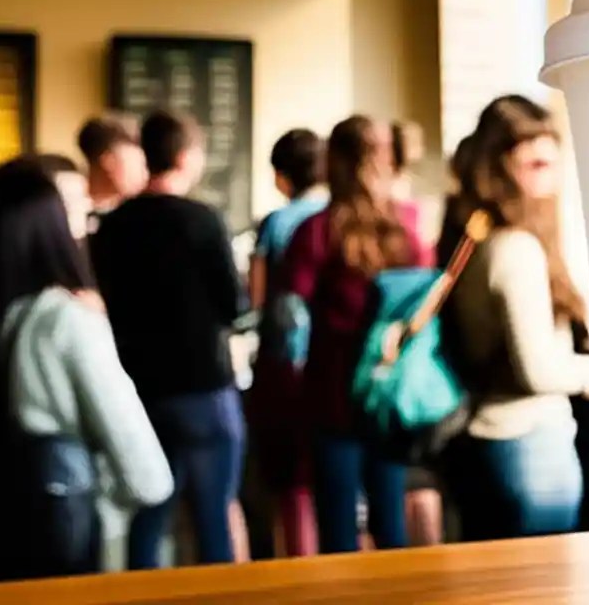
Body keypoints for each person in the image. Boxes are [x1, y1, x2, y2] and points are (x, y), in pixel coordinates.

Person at [0, 157, 172, 581]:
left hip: (7, 509)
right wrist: (141, 485)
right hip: (66, 509)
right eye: (73, 206)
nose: (85, 219)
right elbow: (134, 448)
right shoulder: (65, 317)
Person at [440, 95, 589, 541]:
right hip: (532, 442)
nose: (552, 179)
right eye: (536, 164)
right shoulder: (517, 249)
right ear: (499, 167)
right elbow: (539, 370)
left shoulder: (476, 237)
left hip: (493, 440)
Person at [90, 111, 247, 569]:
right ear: (185, 156)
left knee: (150, 516)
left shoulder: (113, 226)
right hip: (203, 389)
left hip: (139, 389)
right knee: (212, 518)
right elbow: (233, 306)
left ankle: (141, 595)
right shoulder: (203, 219)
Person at [282, 115, 431, 553]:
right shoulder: (409, 223)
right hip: (392, 390)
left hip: (332, 395)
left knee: (337, 529)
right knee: (391, 524)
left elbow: (289, 311)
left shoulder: (315, 231)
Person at [245, 129, 327, 558]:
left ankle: (299, 570)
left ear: (280, 176)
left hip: (285, 364)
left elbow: (258, 297)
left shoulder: (276, 224)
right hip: (335, 363)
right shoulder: (341, 216)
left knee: (291, 482)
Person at [76, 113, 147, 233]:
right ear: (109, 161)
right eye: (139, 165)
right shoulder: (68, 212)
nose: (145, 175)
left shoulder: (137, 217)